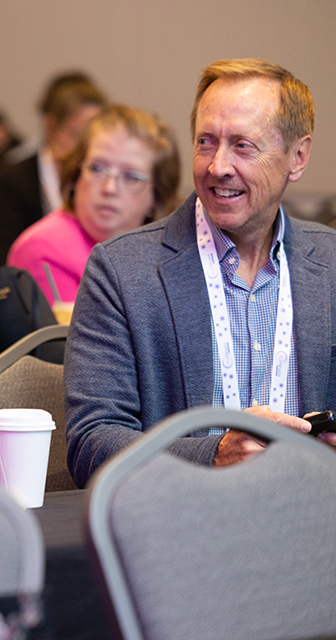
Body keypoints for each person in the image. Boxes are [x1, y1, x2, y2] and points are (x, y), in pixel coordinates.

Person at [64, 58, 335, 488]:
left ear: (297, 158)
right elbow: (90, 445)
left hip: (312, 525)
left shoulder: (331, 267)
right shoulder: (121, 273)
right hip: (181, 532)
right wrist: (213, 455)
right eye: (206, 142)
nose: (218, 166)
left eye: (242, 145)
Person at [6, 104, 180, 305]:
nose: (109, 188)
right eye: (97, 168)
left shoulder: (171, 253)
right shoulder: (42, 250)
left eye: (131, 176)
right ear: (75, 175)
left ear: (156, 196)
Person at [0, 72, 106, 267]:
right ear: (51, 126)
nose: (87, 148)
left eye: (95, 137)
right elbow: (1, 266)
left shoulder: (102, 180)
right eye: (77, 135)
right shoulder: (11, 182)